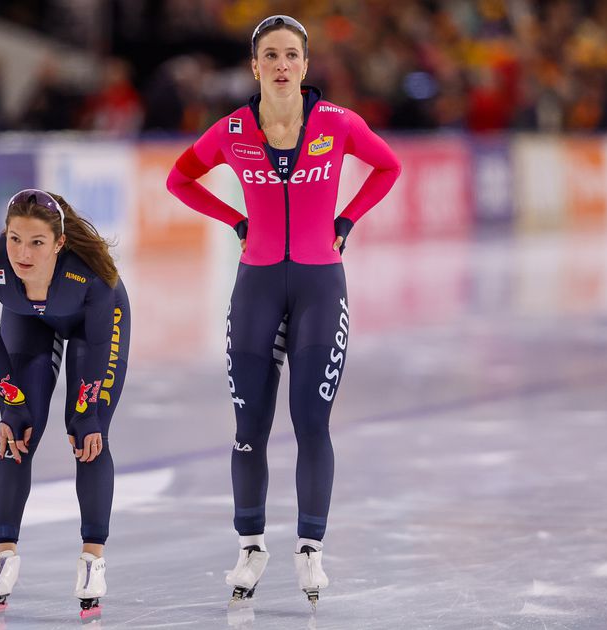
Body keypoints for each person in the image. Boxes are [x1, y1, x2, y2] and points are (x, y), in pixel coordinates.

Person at [166, 15, 401, 608]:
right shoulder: (232, 129)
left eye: (291, 55)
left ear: (305, 63)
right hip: (257, 289)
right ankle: (250, 545)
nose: (280, 64)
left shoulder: (337, 123)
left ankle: (310, 549)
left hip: (321, 287)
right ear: (254, 65)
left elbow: (388, 166)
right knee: (249, 430)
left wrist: (345, 221)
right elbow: (180, 178)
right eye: (269, 54)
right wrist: (237, 221)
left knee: (312, 425)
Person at [0, 189, 129, 621]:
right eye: (15, 239)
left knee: (86, 433)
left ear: (59, 243)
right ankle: (4, 554)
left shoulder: (92, 274)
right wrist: (9, 399)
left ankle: (92, 560)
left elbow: (97, 346)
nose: (23, 252)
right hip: (29, 325)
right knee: (16, 431)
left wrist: (89, 412)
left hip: (92, 331)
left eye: (37, 242)